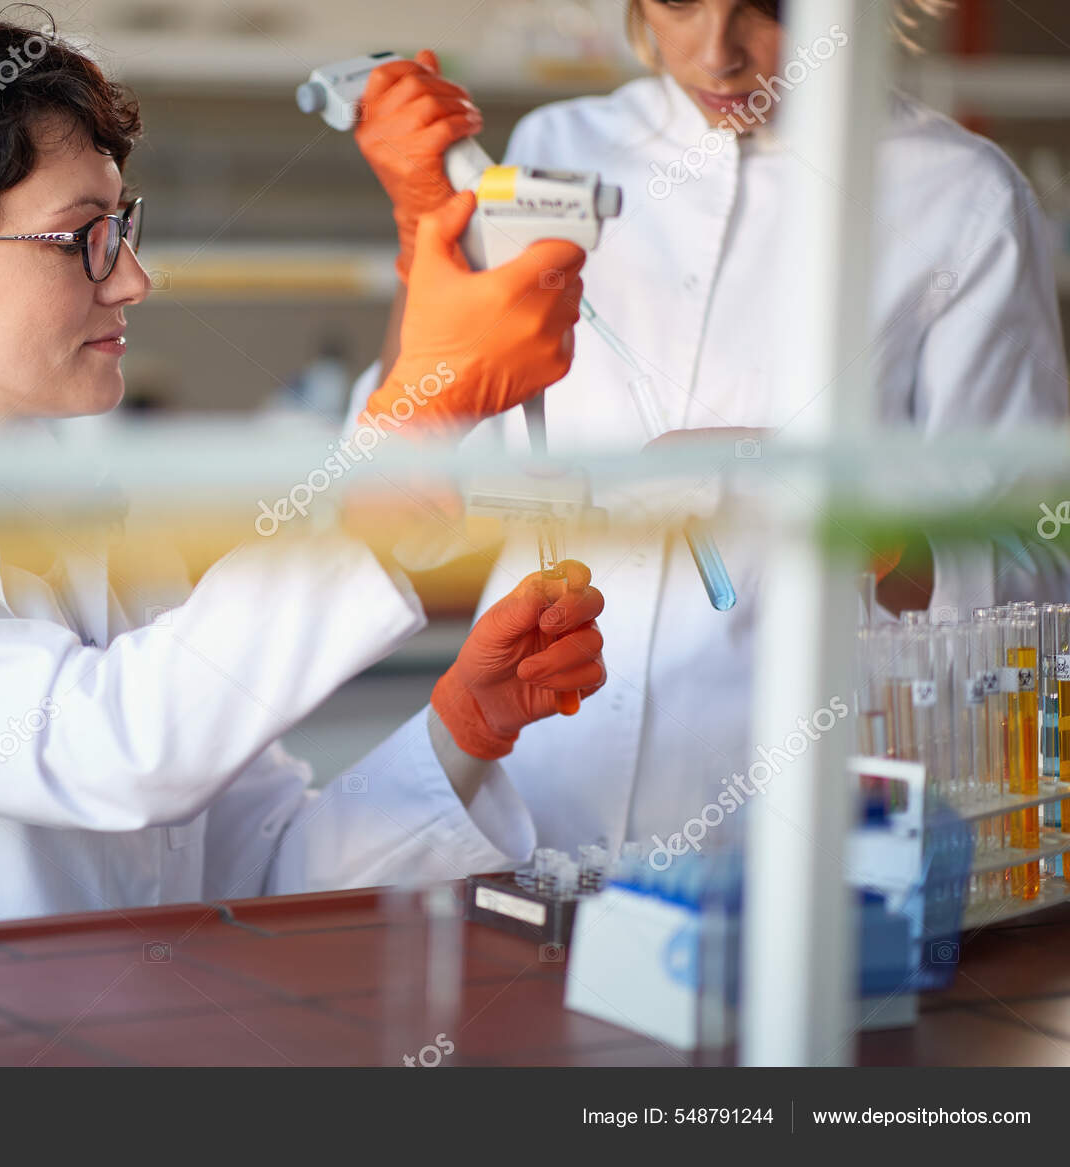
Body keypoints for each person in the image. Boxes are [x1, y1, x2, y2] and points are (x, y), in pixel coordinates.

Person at [0, 5, 605, 939]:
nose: (132, 279)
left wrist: (463, 732)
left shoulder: (100, 526)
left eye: (122, 224)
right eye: (82, 235)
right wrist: (412, 431)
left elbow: (265, 868)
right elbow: (109, 748)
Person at [350, 0, 1070, 853]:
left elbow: (1038, 573)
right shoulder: (556, 151)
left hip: (787, 833)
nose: (719, 55)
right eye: (680, 3)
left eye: (769, 9)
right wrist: (423, 236)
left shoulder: (960, 199)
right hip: (532, 793)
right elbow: (406, 477)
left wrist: (835, 504)